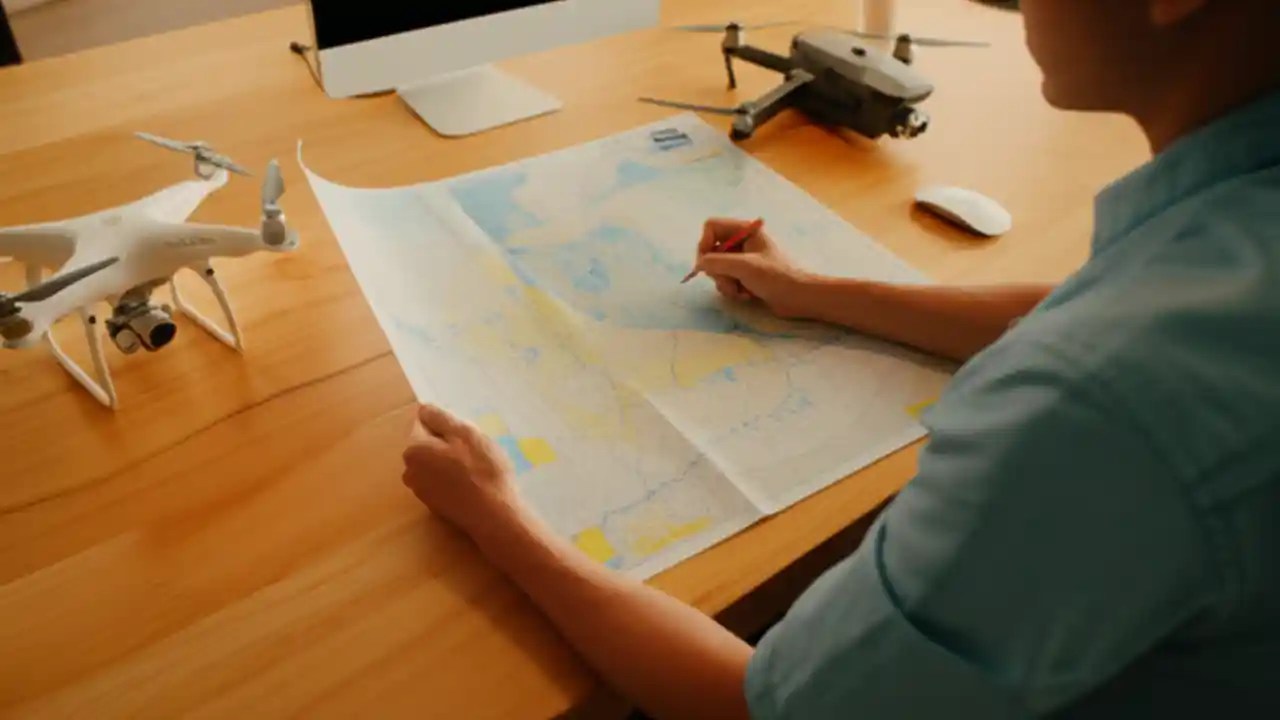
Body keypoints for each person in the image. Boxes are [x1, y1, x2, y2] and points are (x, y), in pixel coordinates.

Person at [402, 0, 1280, 716]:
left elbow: (758, 708)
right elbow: (1098, 304)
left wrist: (503, 520)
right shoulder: (1228, 244)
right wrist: (819, 291)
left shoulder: (1099, 405)